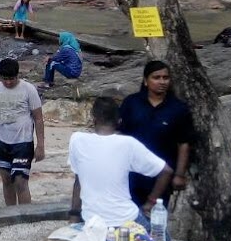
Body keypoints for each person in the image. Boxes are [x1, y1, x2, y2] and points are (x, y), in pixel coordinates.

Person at [66, 96, 172, 229]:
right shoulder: (128, 144)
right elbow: (166, 171)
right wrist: (150, 203)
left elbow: (78, 180)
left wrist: (74, 215)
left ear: (93, 119)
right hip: (125, 219)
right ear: (119, 121)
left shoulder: (77, 140)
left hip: (91, 220)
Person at [117, 61, 195, 209]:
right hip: (132, 172)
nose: (162, 82)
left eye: (165, 78)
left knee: (156, 218)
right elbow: (120, 135)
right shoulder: (131, 103)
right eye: (156, 77)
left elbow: (184, 143)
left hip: (162, 174)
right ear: (146, 81)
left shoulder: (178, 108)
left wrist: (179, 175)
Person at [0, 58, 46, 206]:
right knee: (6, 181)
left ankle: (25, 218)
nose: (8, 82)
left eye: (12, 79)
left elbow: (38, 118)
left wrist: (40, 145)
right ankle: (11, 216)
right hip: (2, 142)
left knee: (20, 181)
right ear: (0, 76)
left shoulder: (29, 89)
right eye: (5, 79)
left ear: (18, 75)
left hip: (23, 143)